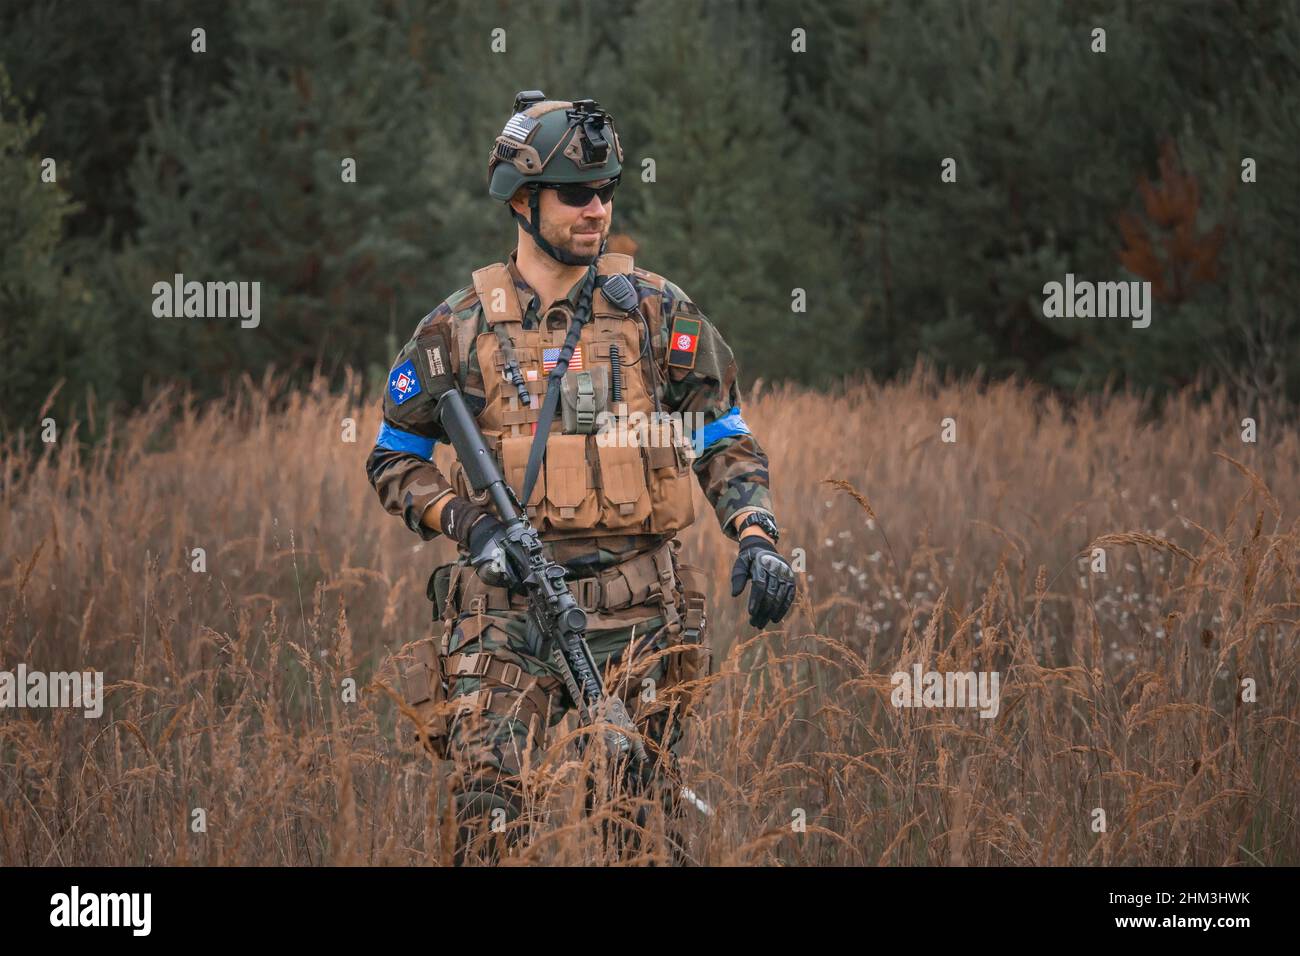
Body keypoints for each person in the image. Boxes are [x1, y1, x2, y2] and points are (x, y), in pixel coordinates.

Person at [366, 91, 795, 860]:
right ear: (523, 201)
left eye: (606, 192)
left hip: (643, 610)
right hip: (505, 615)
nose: (597, 209)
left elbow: (722, 434)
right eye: (577, 193)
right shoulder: (456, 328)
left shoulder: (656, 311)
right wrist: (469, 524)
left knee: (640, 827)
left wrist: (757, 535)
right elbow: (394, 456)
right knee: (490, 820)